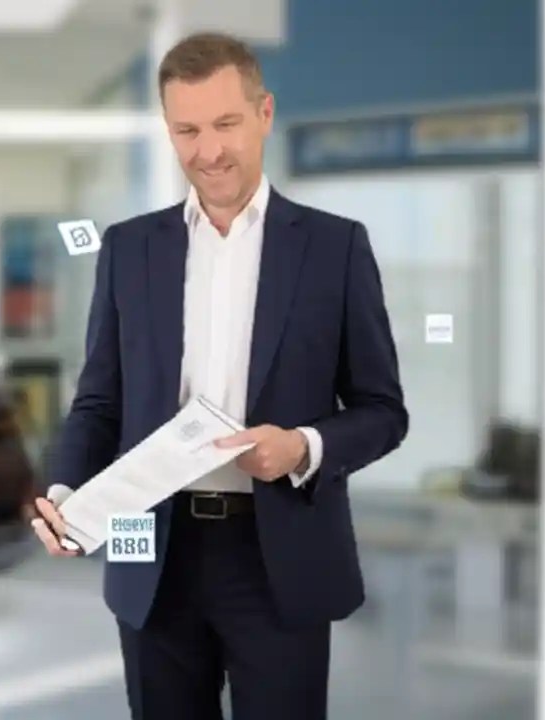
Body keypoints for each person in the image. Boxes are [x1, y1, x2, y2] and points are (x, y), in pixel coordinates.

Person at [30, 32, 408, 720]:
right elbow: (98, 401)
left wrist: (303, 448)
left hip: (278, 556)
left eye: (226, 124)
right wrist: (62, 494)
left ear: (264, 113)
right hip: (155, 551)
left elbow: (383, 409)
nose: (208, 151)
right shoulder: (128, 250)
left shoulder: (334, 247)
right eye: (187, 130)